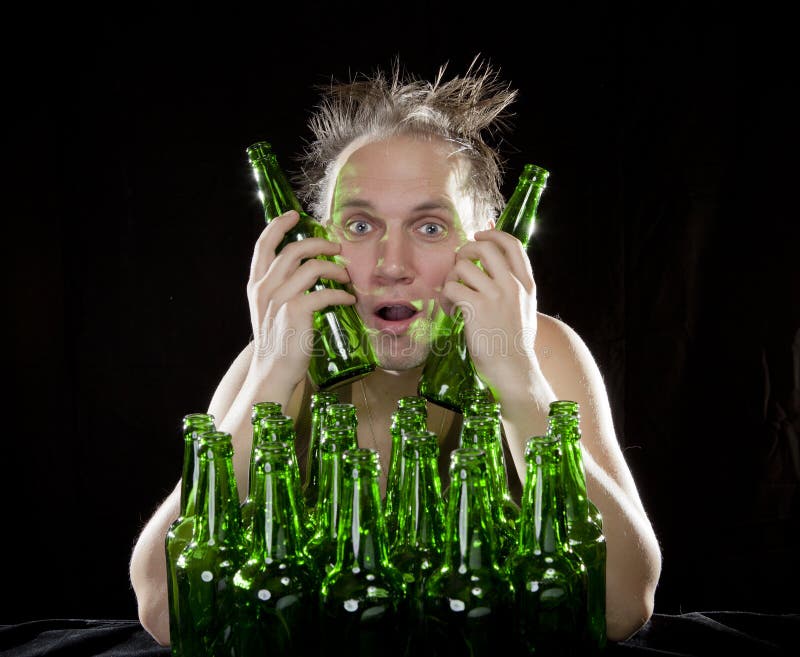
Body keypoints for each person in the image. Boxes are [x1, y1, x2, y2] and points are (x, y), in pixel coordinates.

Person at [129, 56, 662, 646]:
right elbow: (163, 609)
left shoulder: (542, 348)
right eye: (359, 226)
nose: (391, 266)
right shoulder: (279, 353)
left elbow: (622, 607)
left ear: (489, 244)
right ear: (317, 242)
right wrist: (272, 377)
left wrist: (517, 379)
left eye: (430, 227)